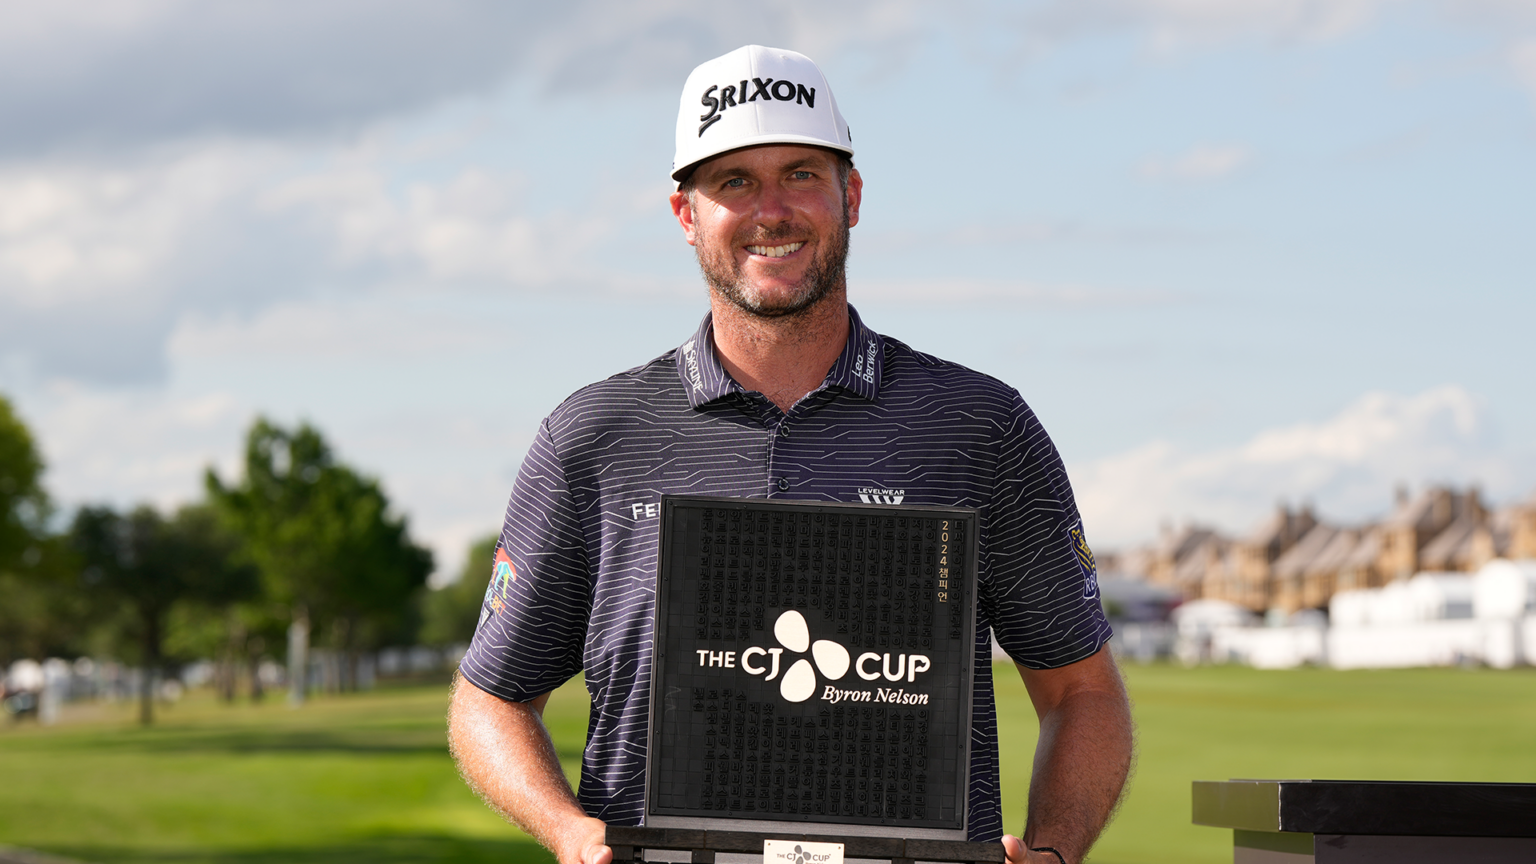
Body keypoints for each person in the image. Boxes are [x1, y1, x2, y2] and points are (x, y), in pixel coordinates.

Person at [448, 45, 1133, 864]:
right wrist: (568, 834)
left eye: (801, 174)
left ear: (850, 196)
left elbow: (1083, 693)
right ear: (685, 215)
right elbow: (489, 699)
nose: (771, 209)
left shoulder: (977, 426)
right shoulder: (594, 437)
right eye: (733, 181)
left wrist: (1053, 851)